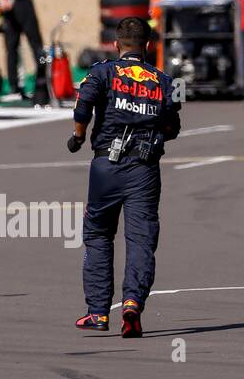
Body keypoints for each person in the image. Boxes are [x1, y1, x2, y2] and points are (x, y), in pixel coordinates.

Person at [68, 17, 183, 337]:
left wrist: (78, 136)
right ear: (148, 46)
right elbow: (173, 127)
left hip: (105, 166)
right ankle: (132, 302)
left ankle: (98, 312)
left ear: (117, 44)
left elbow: (83, 103)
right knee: (141, 239)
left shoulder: (103, 71)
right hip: (144, 169)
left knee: (98, 235)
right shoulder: (164, 80)